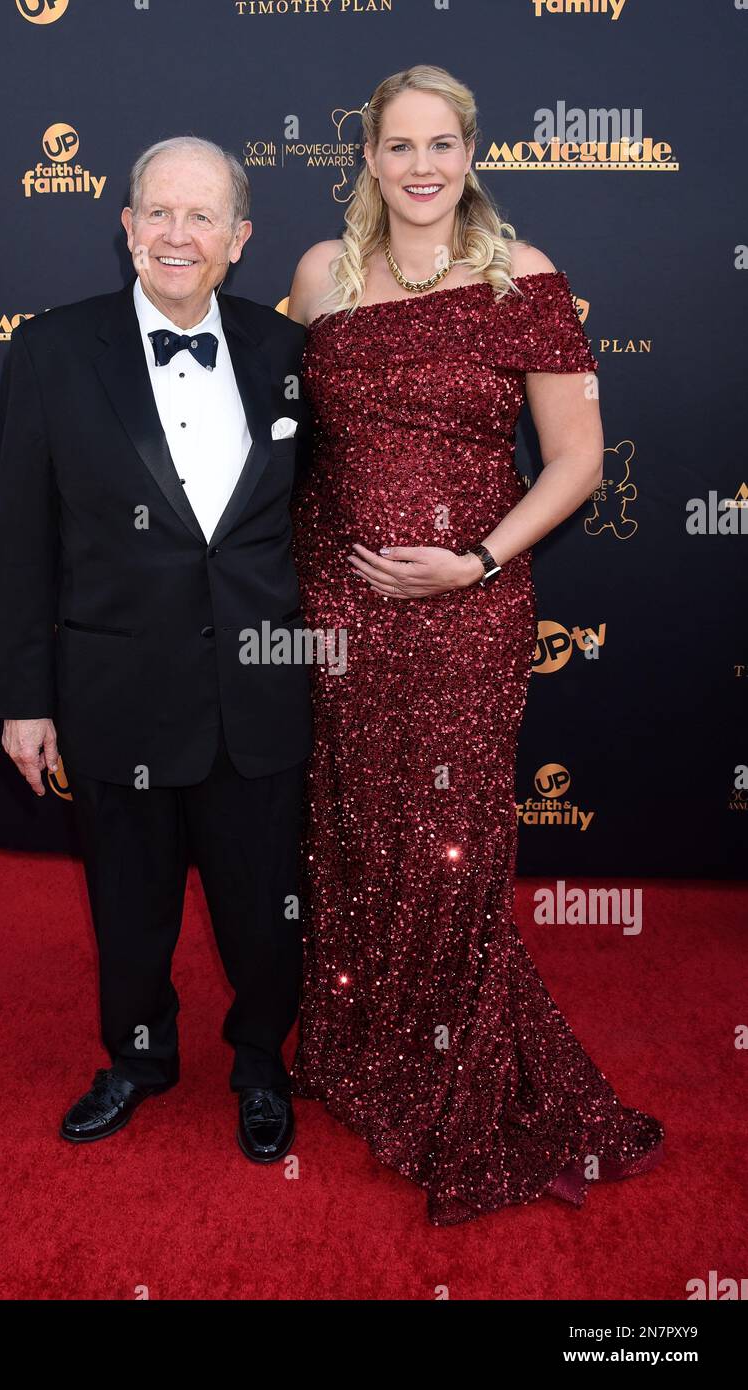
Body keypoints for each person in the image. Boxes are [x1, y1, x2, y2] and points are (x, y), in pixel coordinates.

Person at [286, 65, 665, 1225]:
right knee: (359, 824)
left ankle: (453, 1068)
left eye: (439, 145)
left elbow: (578, 459)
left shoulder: (524, 277)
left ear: (470, 152)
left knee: (451, 846)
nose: (419, 168)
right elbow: (283, 446)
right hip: (340, 609)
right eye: (397, 147)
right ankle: (358, 1052)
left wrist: (479, 562)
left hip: (468, 611)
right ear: (369, 157)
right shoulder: (318, 275)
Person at [0, 136, 312, 1164]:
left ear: (239, 239)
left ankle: (263, 1061)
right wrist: (22, 698)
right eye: (157, 213)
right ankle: (138, 1059)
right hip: (114, 689)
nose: (178, 234)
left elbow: (326, 521)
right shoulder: (49, 350)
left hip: (257, 690)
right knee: (127, 903)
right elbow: (19, 538)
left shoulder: (286, 354)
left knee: (265, 909)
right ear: (125, 227)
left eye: (202, 216)